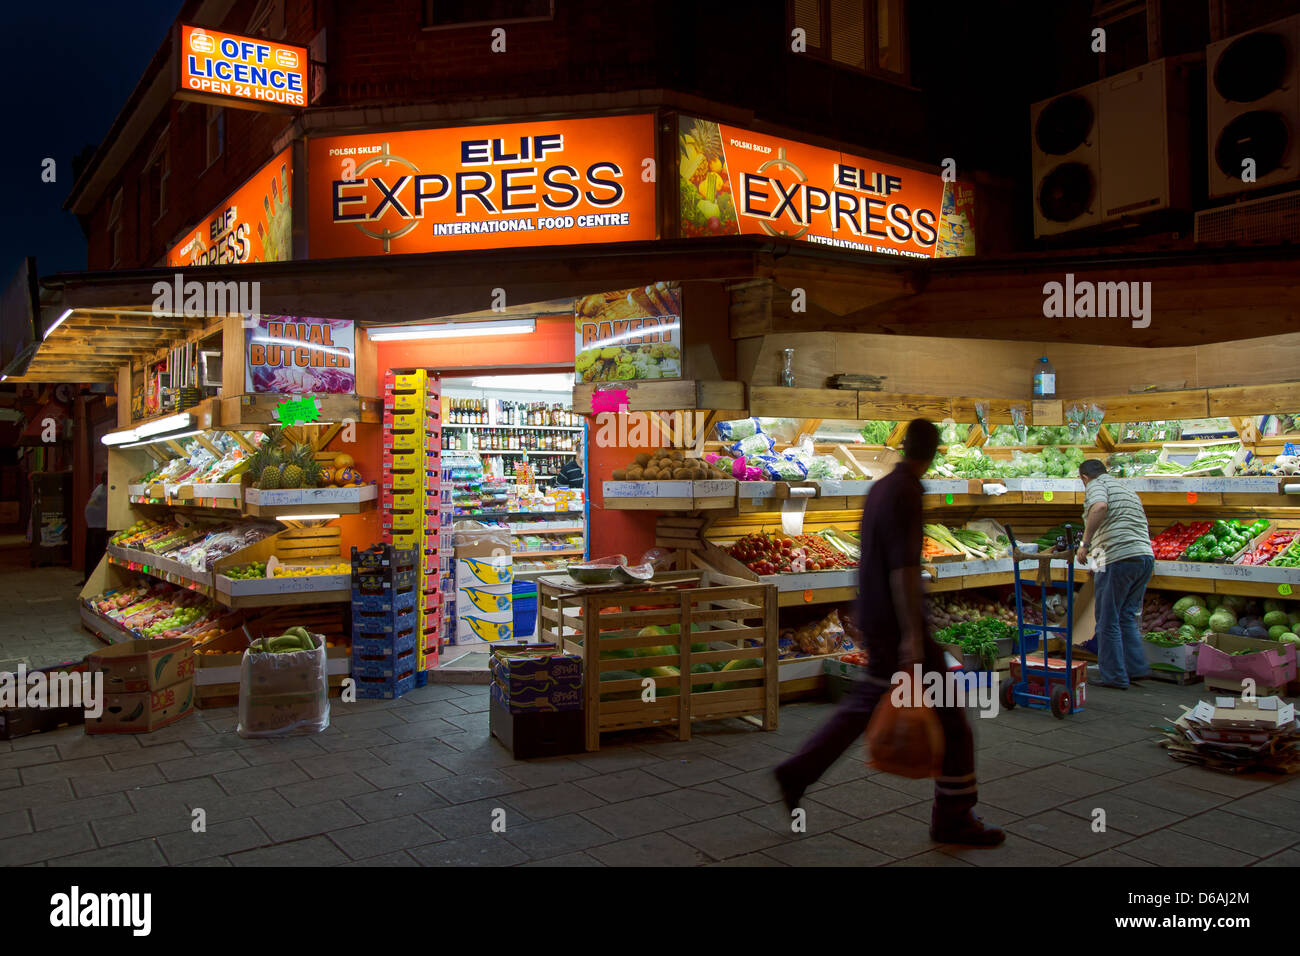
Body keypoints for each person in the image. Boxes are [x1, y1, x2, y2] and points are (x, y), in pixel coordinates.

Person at [774, 419, 1003, 847]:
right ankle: (954, 815)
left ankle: (798, 771)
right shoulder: (908, 492)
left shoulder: (880, 487)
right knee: (953, 719)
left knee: (863, 705)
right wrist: (913, 638)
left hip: (876, 615)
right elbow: (904, 568)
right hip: (900, 623)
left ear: (903, 446)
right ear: (932, 454)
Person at [1076, 459, 1154, 689]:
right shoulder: (1124, 488)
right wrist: (1097, 564)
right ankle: (1136, 669)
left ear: (1084, 478)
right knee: (1126, 615)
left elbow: (1100, 508)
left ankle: (1114, 677)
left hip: (1118, 559)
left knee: (1107, 620)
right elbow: (1114, 527)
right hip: (1143, 558)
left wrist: (1085, 544)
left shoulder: (1096, 486)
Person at [81, 473, 108, 586]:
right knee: (93, 555)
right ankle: (90, 579)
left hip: (100, 526)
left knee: (95, 555)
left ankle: (92, 579)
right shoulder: (101, 488)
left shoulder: (105, 489)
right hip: (96, 526)